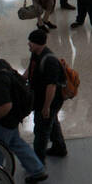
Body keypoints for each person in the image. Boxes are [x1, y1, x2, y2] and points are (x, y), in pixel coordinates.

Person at [0, 46, 47, 183]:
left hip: (1, 123)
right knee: (17, 144)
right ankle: (37, 170)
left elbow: (6, 106)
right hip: (12, 120)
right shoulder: (1, 64)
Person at [25, 28, 67, 162]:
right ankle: (59, 148)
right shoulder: (36, 53)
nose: (28, 44)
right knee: (52, 122)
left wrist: (46, 107)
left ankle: (38, 162)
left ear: (38, 43)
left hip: (49, 100)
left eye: (31, 42)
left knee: (41, 130)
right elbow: (30, 68)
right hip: (40, 97)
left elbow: (51, 86)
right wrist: (22, 78)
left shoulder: (49, 61)